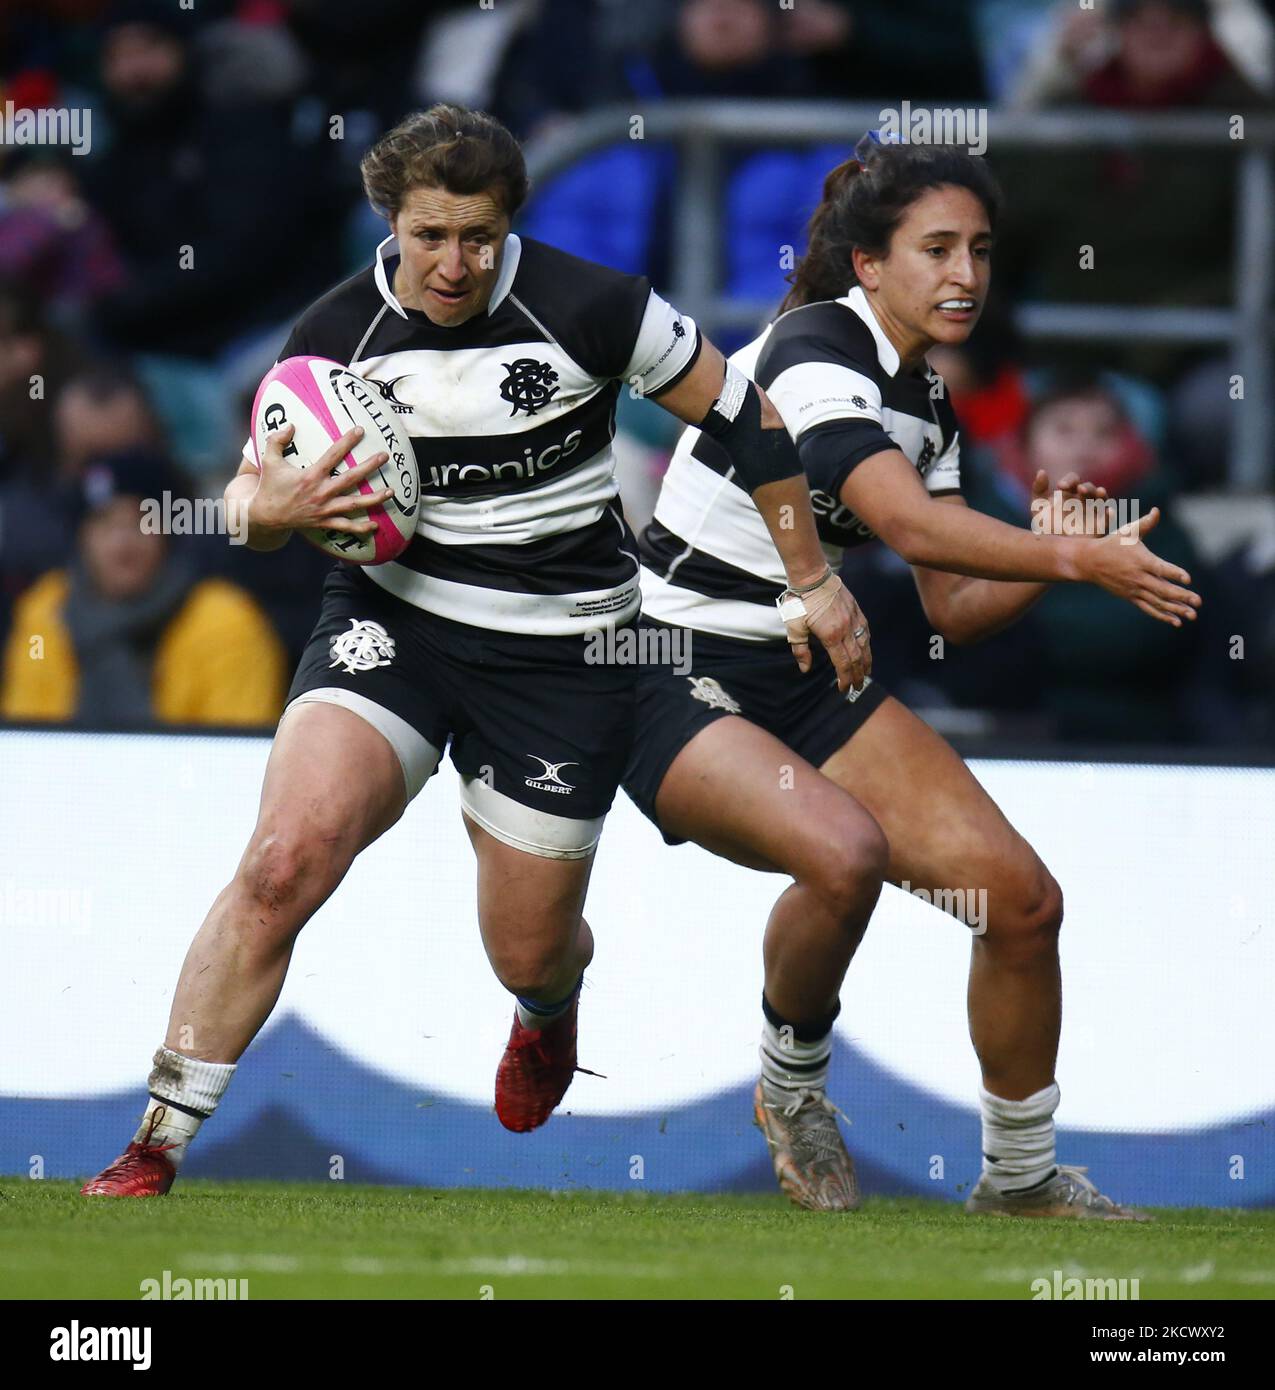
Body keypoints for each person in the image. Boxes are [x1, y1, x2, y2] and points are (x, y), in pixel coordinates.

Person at [80, 104, 868, 1196]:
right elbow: (248, 496)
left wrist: (815, 580)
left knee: (529, 952)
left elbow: (753, 420)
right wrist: (275, 507)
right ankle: (157, 1137)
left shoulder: (595, 308)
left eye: (481, 237)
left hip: (561, 656)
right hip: (390, 627)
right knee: (284, 859)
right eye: (431, 235)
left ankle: (548, 1007)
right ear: (389, 223)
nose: (454, 263)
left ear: (511, 226)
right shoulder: (333, 336)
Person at [623, 134, 1201, 1217]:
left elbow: (951, 607)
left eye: (979, 250)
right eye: (936, 249)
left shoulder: (924, 400)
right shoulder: (813, 349)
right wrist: (1080, 555)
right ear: (868, 265)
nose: (966, 274)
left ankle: (1020, 1179)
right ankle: (791, 1089)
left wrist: (1040, 549)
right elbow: (901, 522)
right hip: (673, 667)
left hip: (806, 676)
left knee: (1022, 904)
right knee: (845, 853)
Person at [0, 450, 287, 727]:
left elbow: (232, 759)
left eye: (142, 521)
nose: (122, 544)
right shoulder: (47, 610)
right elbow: (26, 740)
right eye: (104, 523)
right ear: (81, 536)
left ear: (169, 532)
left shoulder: (226, 622)